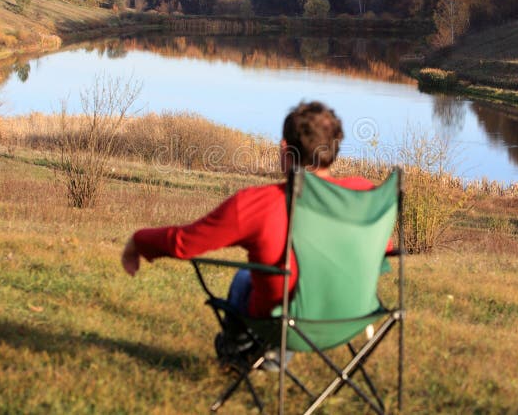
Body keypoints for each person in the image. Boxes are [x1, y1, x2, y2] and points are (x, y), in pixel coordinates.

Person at [120, 101, 385, 362]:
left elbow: (185, 243)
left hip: (285, 325)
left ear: (284, 149)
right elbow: (383, 249)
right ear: (334, 149)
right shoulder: (363, 195)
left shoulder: (259, 204)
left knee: (244, 278)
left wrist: (138, 241)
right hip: (350, 318)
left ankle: (242, 355)